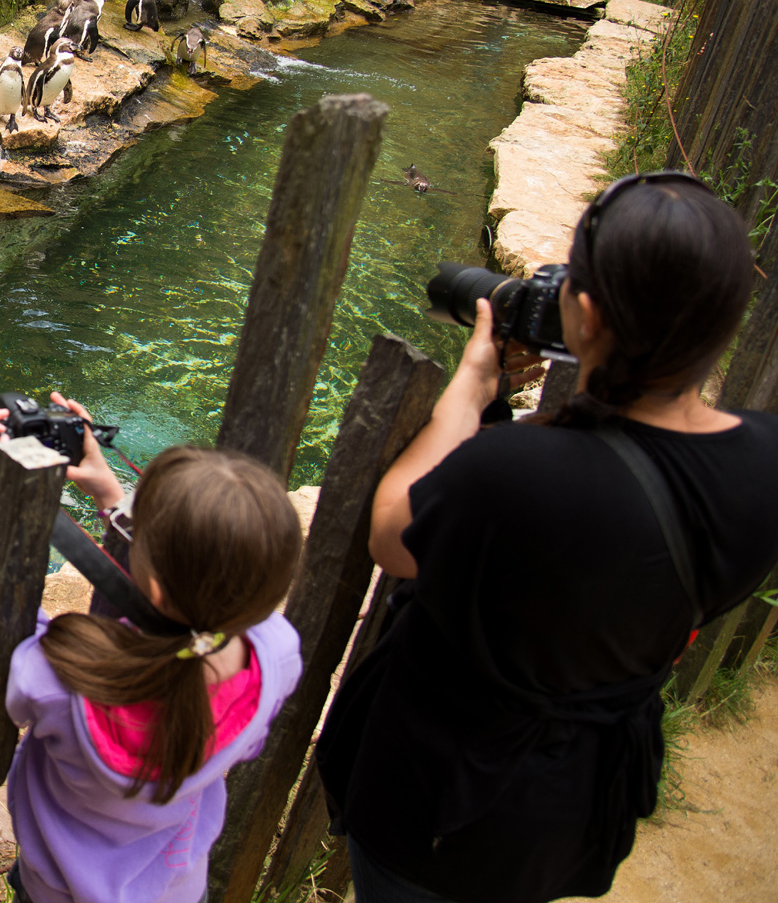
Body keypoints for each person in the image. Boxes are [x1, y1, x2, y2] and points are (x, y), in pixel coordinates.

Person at [316, 171, 778, 903]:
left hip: (446, 804)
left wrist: (468, 392)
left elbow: (394, 536)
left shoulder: (516, 474)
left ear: (586, 317)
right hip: (578, 799)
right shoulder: (764, 463)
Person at [0, 397, 304, 903]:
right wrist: (107, 489)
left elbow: (5, 631)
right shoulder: (277, 655)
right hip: (176, 889)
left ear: (156, 587)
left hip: (58, 889)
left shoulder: (62, 683)